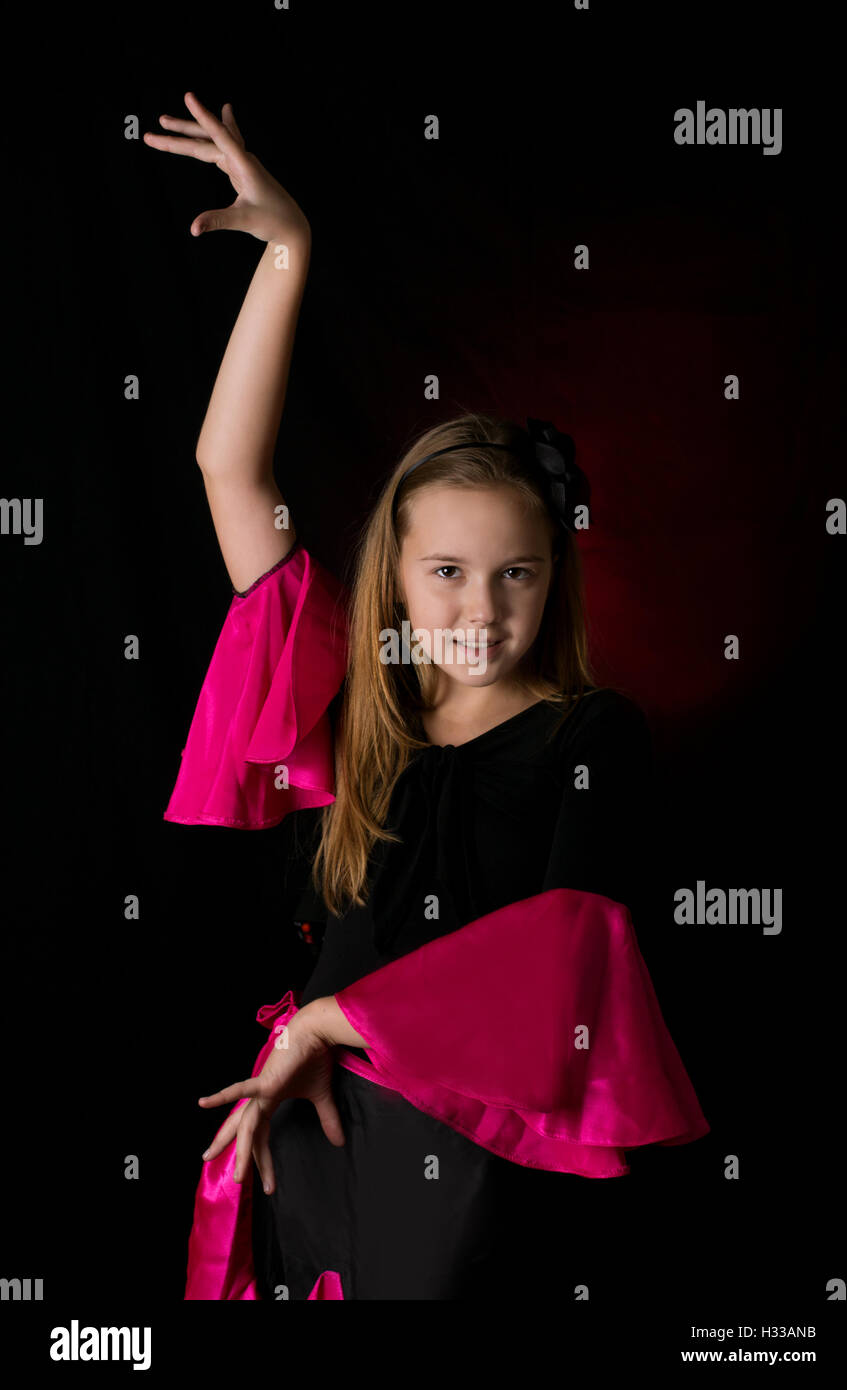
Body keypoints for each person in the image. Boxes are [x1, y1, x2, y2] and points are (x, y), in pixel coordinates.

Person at [151, 92, 710, 1301]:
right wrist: (288, 251)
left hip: (467, 1151)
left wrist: (329, 1017)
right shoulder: (359, 715)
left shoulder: (588, 733)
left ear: (553, 578)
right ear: (394, 577)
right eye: (445, 573)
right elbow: (225, 469)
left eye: (515, 573)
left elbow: (570, 956)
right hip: (306, 1112)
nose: (479, 610)